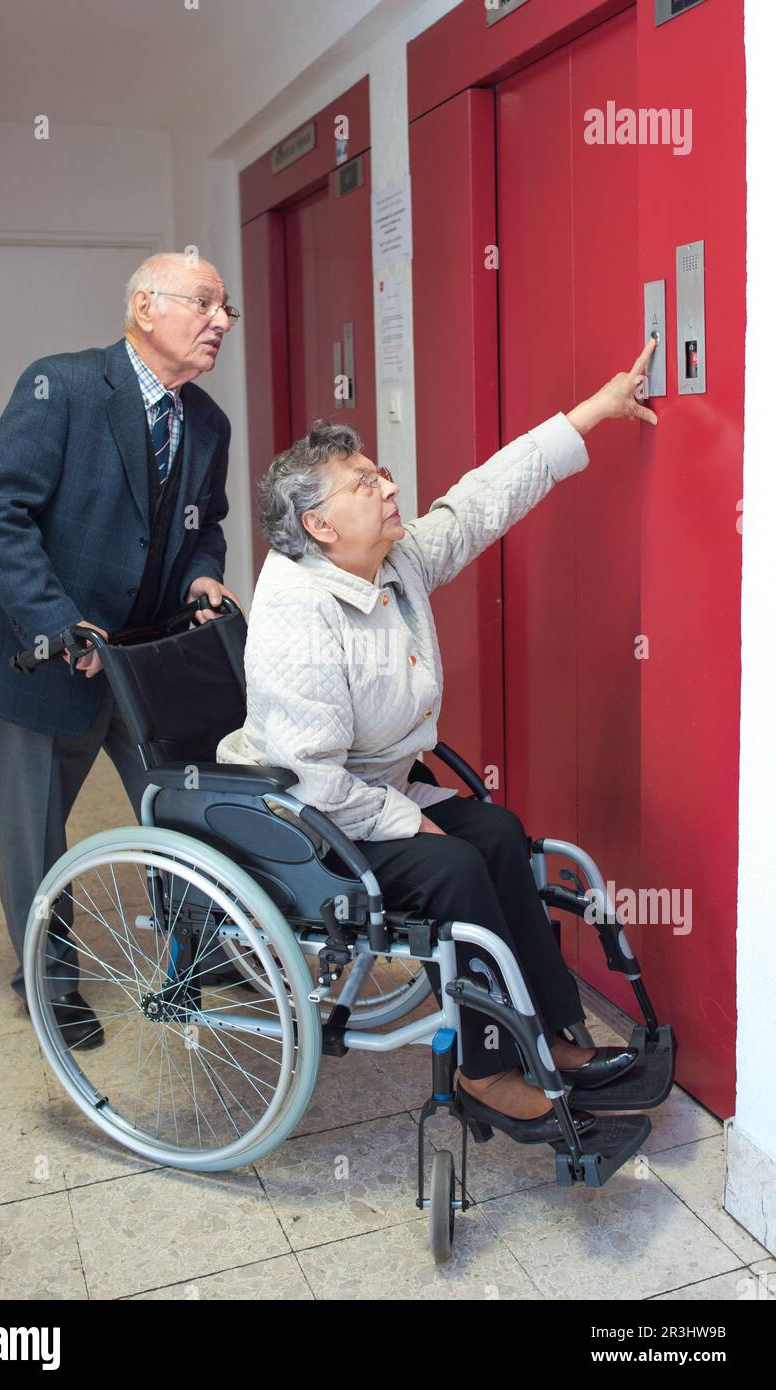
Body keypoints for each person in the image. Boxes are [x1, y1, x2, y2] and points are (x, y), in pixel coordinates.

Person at [216, 339, 659, 1143]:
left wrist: (591, 414)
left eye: (378, 472)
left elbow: (478, 502)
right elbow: (308, 779)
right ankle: (484, 1071)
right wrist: (402, 819)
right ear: (318, 525)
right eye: (365, 483)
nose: (388, 486)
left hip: (374, 788)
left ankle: (554, 1034)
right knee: (452, 865)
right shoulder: (295, 610)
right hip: (307, 817)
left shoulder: (389, 559)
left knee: (494, 830)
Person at [0, 251, 241, 1049]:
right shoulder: (65, 386)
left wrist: (204, 578)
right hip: (45, 656)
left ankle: (200, 949)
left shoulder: (207, 421)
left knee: (180, 810)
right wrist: (56, 623)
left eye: (228, 311)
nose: (221, 321)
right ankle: (48, 981)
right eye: (206, 304)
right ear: (147, 307)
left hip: (148, 665)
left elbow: (202, 525)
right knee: (37, 833)